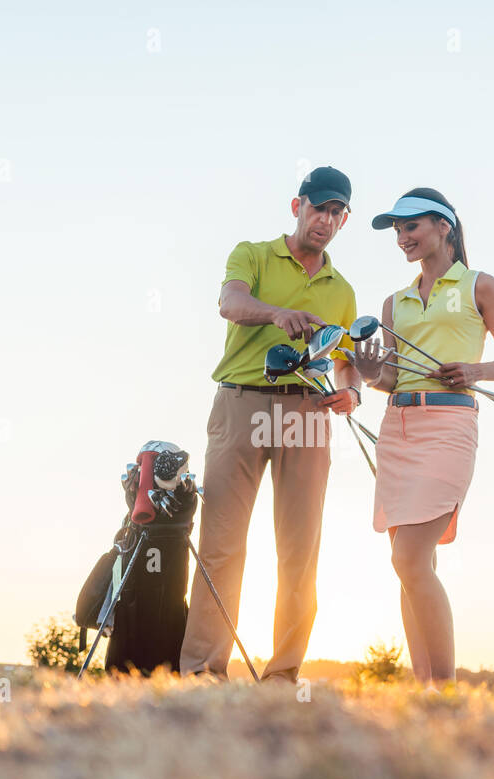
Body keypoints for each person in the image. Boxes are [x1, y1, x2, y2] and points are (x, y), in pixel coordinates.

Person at [180, 167, 362, 683]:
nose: (325, 221)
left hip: (308, 413)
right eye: (318, 208)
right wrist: (278, 314)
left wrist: (352, 392)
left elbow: (346, 359)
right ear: (297, 206)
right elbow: (230, 303)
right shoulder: (253, 255)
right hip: (242, 404)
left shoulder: (342, 290)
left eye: (336, 213)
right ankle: (202, 671)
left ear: (343, 220)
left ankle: (282, 674)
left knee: (300, 548)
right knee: (222, 541)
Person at [351, 187, 494, 685]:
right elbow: (392, 378)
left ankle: (445, 690)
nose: (402, 237)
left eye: (411, 227)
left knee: (410, 559)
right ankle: (424, 688)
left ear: (443, 227)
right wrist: (367, 371)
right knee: (407, 562)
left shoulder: (479, 286)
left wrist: (475, 369)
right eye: (397, 231)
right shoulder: (394, 301)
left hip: (449, 427)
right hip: (399, 429)